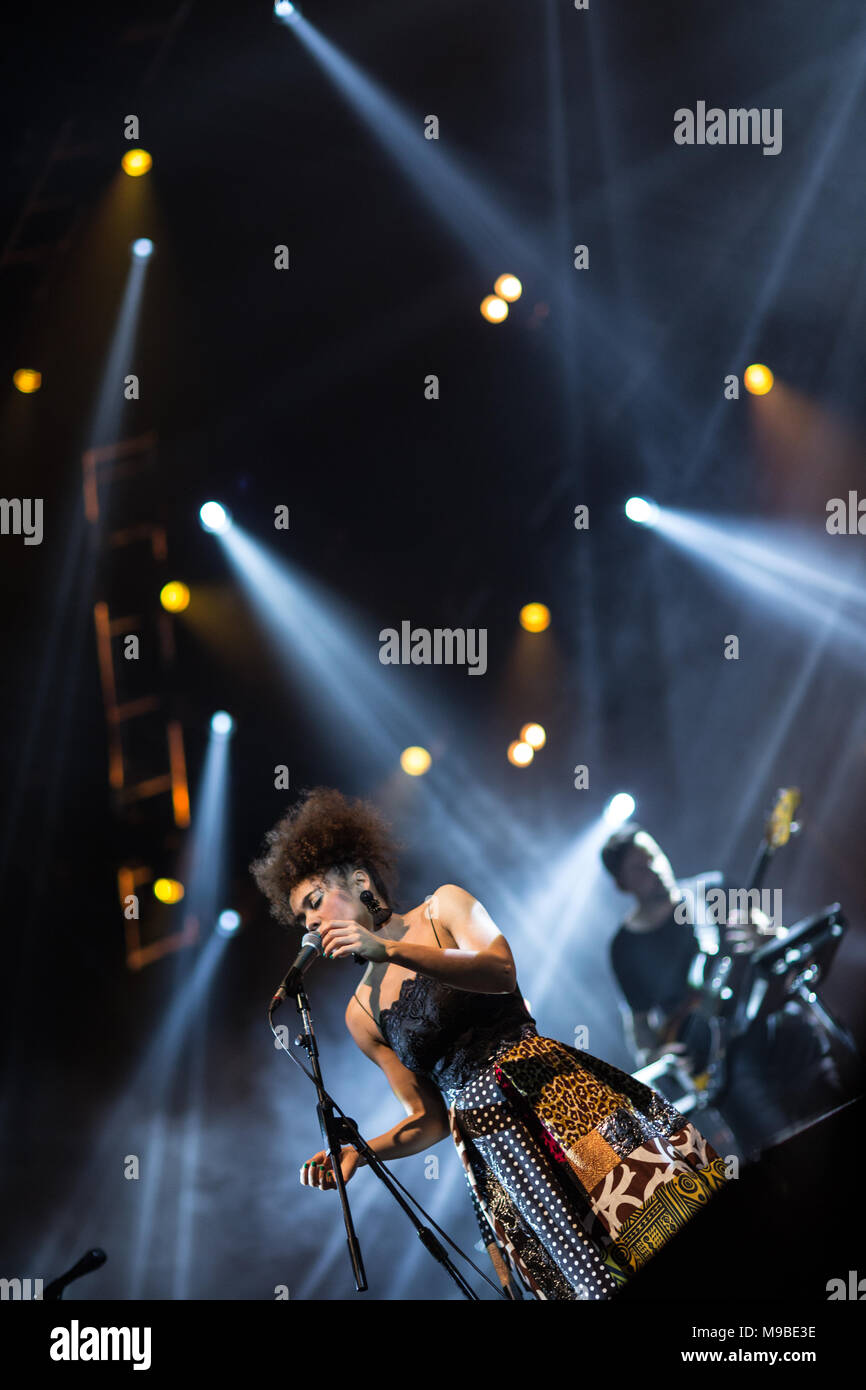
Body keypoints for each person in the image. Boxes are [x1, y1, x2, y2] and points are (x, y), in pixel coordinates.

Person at [252, 788, 730, 1301]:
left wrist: (391, 949)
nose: (312, 923)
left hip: (556, 1096)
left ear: (360, 881)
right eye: (302, 918)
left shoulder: (444, 907)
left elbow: (501, 971)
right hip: (493, 1146)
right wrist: (359, 1154)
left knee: (646, 1224)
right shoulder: (361, 1013)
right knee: (586, 1278)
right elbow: (428, 1118)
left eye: (316, 902)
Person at [602, 823, 852, 1158]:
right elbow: (638, 1023)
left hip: (781, 1030)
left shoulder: (712, 891)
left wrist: (767, 936)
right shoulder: (625, 948)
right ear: (622, 884)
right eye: (639, 866)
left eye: (654, 856)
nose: (655, 868)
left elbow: (779, 938)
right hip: (727, 1072)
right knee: (789, 1160)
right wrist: (654, 1058)